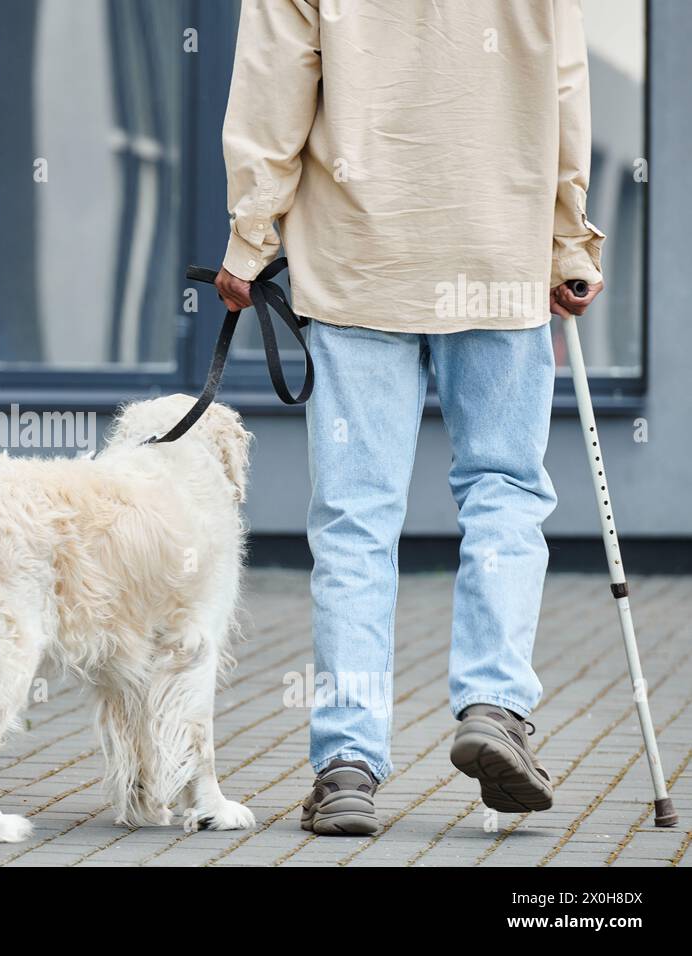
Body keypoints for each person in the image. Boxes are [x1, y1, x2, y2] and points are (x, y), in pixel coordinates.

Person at [216, 0, 605, 835]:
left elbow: (273, 87)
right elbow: (565, 89)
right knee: (504, 491)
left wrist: (251, 238)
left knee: (355, 516)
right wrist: (570, 242)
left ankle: (348, 763)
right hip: (498, 256)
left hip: (361, 263)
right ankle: (496, 708)